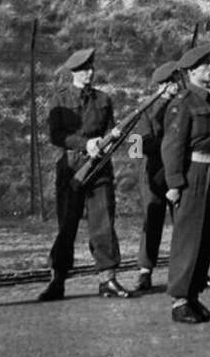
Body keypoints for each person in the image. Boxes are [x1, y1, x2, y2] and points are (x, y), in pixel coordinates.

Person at [38, 48, 130, 301]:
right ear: (74, 72)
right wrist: (85, 144)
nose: (89, 73)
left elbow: (112, 130)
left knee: (103, 225)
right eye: (83, 69)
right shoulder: (60, 99)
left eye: (91, 68)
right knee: (67, 226)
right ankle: (57, 280)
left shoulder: (103, 100)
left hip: (99, 169)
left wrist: (109, 143)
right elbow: (56, 135)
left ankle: (107, 279)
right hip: (71, 168)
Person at [161, 43, 210, 324]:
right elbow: (172, 146)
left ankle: (194, 296)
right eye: (207, 65)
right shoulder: (183, 103)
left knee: (206, 236)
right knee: (189, 238)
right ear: (192, 72)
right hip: (193, 174)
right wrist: (174, 183)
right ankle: (180, 301)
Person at [130, 60, 181, 294]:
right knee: (152, 222)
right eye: (171, 82)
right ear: (162, 85)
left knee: (184, 221)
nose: (176, 85)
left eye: (177, 81)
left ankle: (188, 269)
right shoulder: (146, 110)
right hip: (153, 170)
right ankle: (145, 271)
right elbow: (136, 146)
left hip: (178, 169)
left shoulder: (183, 106)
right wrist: (166, 145)